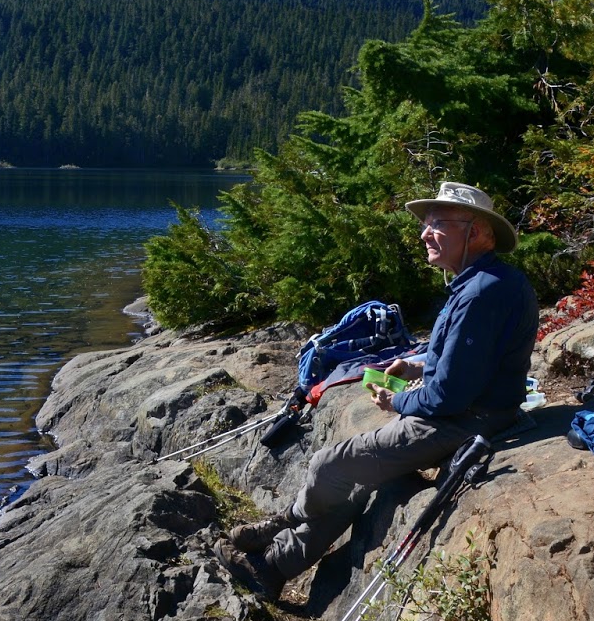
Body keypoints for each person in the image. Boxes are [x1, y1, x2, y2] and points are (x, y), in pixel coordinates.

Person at [216, 181, 538, 599]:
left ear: (475, 232)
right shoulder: (485, 282)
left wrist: (396, 399)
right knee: (356, 481)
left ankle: (284, 524)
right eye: (426, 223)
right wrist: (416, 363)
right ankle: (276, 566)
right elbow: (470, 355)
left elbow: (448, 397)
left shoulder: (481, 293)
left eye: (437, 223)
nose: (424, 233)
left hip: (463, 420)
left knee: (329, 466)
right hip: (473, 410)